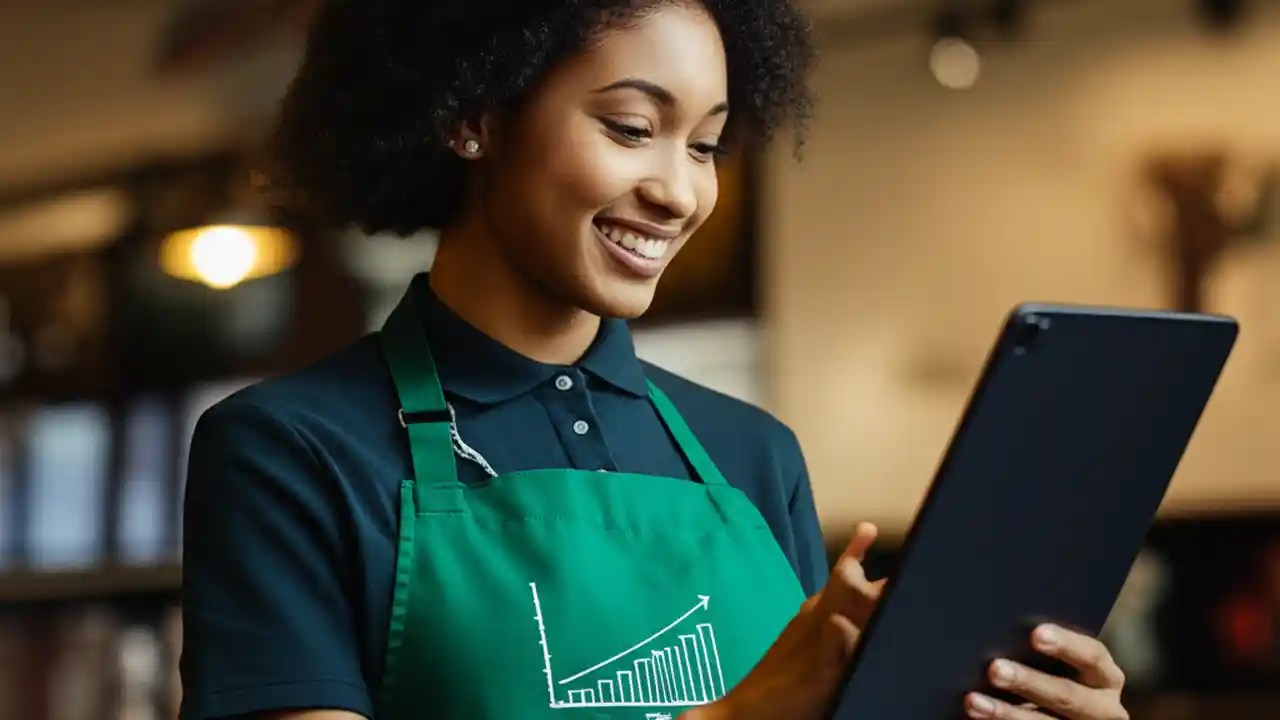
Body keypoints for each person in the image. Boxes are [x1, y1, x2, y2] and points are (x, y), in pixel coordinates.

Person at [179, 2, 1131, 719]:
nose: (679, 192)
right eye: (632, 127)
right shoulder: (289, 453)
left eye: (707, 145)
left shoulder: (753, 456)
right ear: (471, 115)